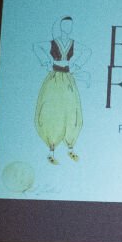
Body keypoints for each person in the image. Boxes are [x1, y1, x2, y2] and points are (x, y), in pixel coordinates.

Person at [34, 16, 86, 164]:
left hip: (67, 80)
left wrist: (77, 65)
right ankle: (51, 150)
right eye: (65, 25)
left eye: (70, 26)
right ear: (61, 26)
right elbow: (36, 46)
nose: (68, 28)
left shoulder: (72, 43)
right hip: (54, 79)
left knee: (71, 110)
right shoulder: (53, 43)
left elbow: (87, 51)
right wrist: (46, 62)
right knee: (51, 110)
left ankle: (70, 147)